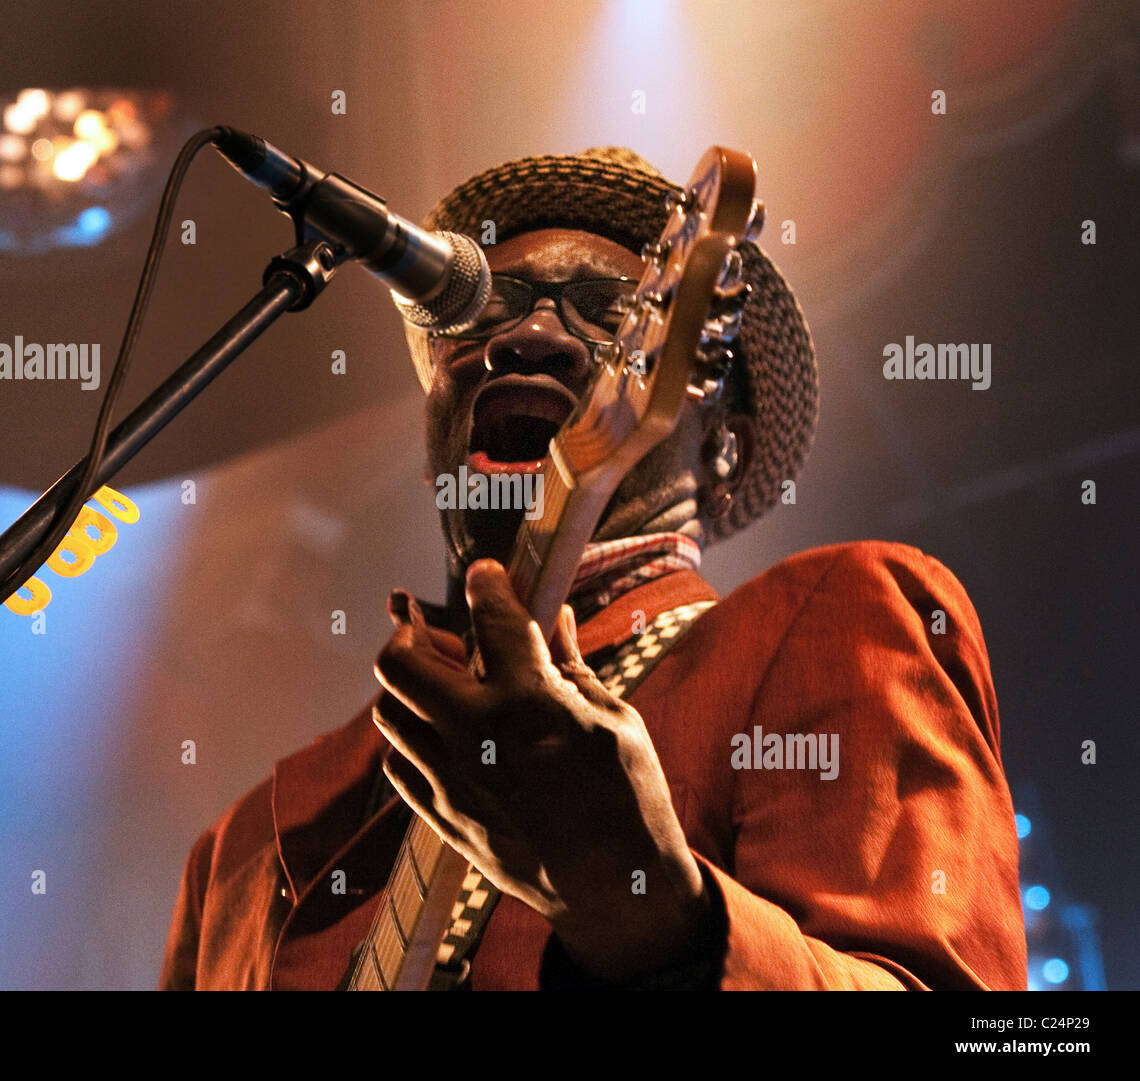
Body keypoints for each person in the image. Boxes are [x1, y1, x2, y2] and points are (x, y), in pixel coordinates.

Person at [159, 147, 1027, 990]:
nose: (531, 336)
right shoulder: (241, 847)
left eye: (606, 314)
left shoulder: (833, 622)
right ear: (433, 428)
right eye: (485, 314)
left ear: (726, 451)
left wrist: (639, 902)